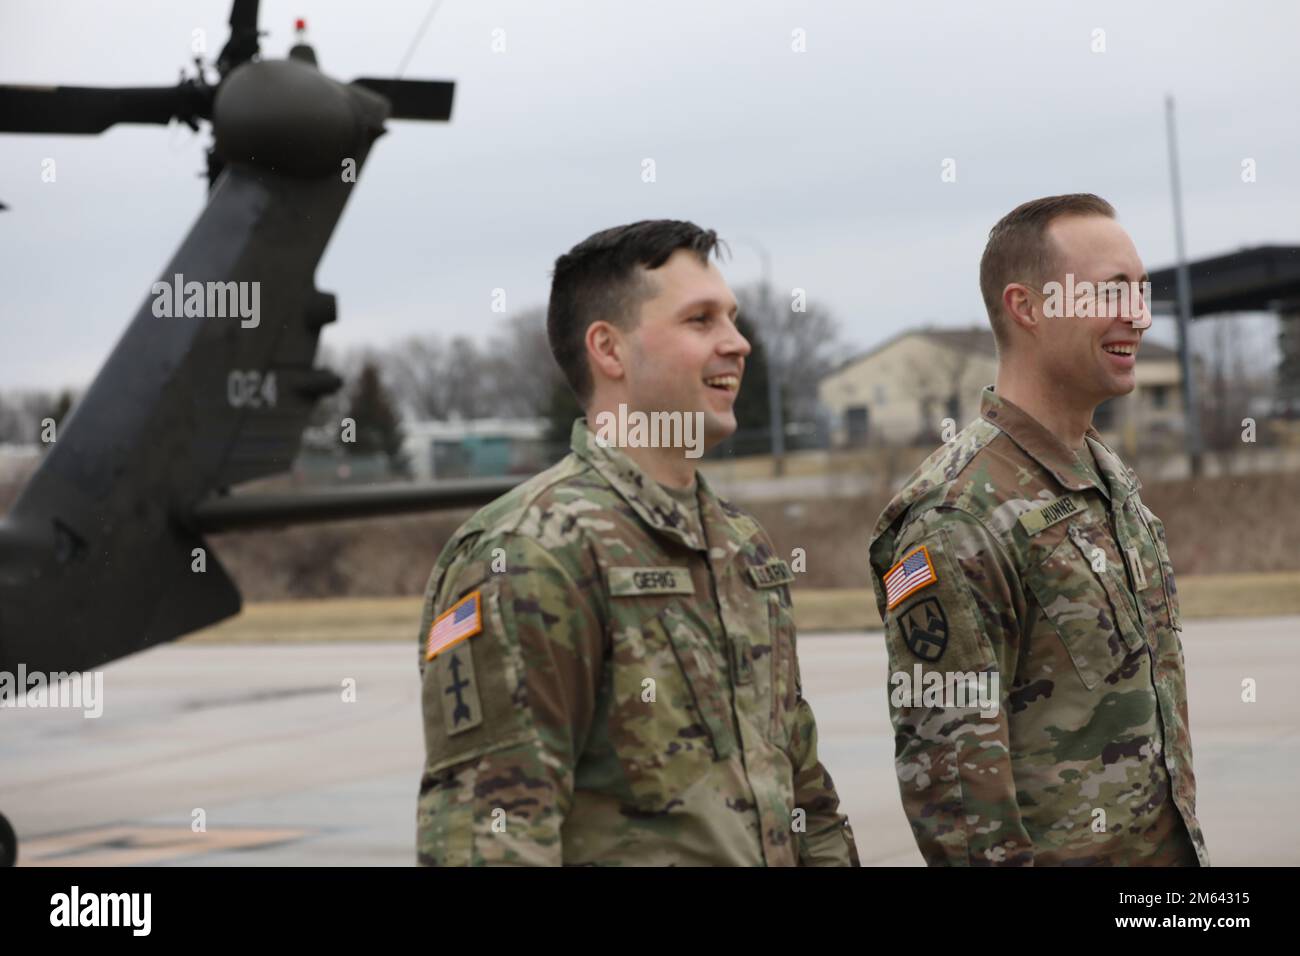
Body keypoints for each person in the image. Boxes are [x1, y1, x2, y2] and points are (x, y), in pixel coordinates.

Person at [417, 219, 858, 866]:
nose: (737, 343)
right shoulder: (528, 552)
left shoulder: (743, 547)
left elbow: (804, 794)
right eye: (700, 320)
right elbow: (493, 836)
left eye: (732, 319)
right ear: (609, 349)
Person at [868, 194, 1209, 866]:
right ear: (1027, 308)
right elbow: (958, 806)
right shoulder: (958, 516)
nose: (1139, 315)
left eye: (1142, 292)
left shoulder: (1105, 478)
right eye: (1111, 291)